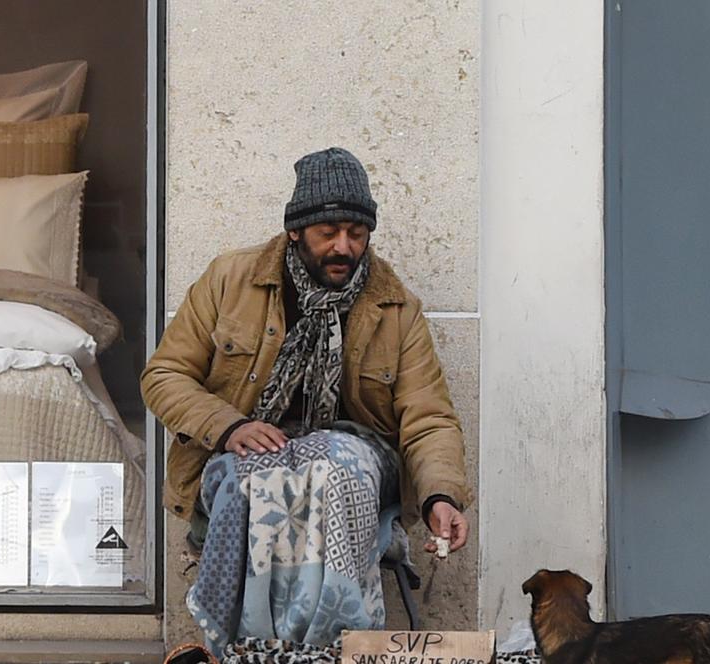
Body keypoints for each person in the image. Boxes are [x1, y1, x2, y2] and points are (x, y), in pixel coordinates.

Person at [141, 147, 471, 657]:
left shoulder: (395, 307)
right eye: (328, 233)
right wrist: (228, 427)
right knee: (260, 478)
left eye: (356, 233)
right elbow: (164, 375)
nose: (344, 246)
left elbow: (427, 416)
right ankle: (247, 648)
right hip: (245, 444)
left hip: (353, 455)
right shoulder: (230, 279)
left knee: (331, 468)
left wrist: (440, 495)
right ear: (296, 230)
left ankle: (328, 648)